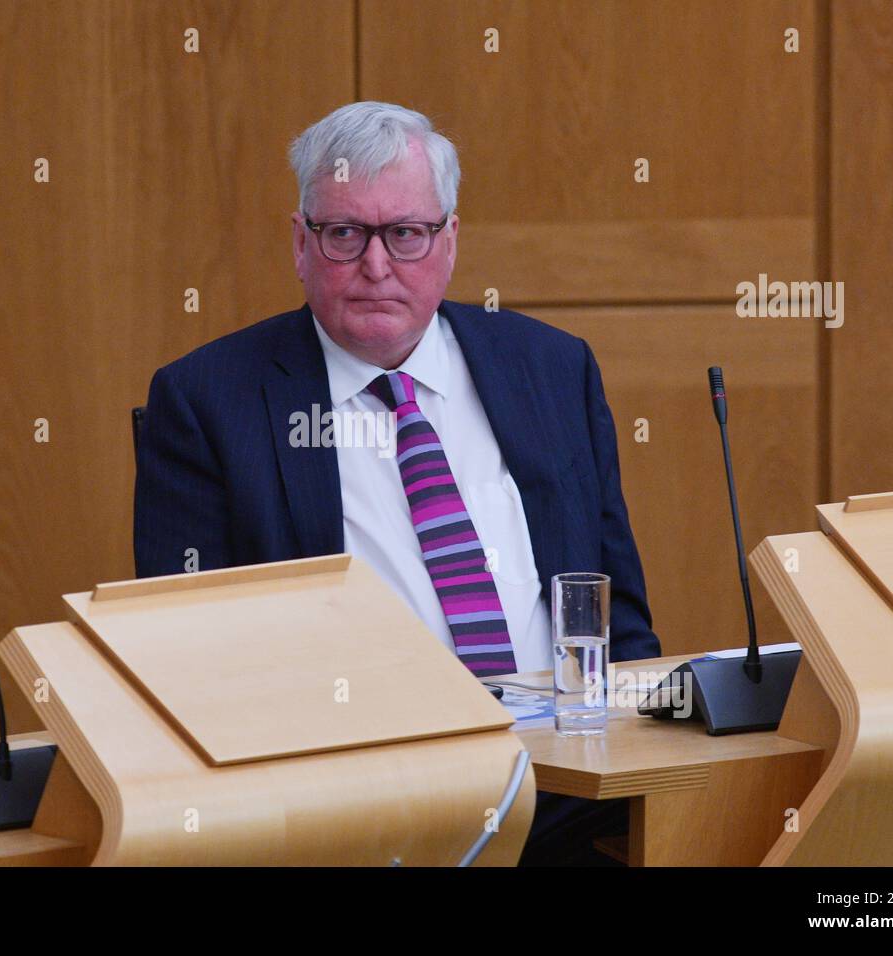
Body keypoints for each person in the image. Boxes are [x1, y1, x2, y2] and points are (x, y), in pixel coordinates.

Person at [134, 101, 660, 864]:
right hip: (361, 819)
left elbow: (624, 624)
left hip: (567, 797)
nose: (376, 266)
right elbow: (191, 676)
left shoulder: (551, 368)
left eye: (405, 234)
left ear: (448, 242)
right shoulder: (210, 402)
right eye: (345, 234)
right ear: (301, 243)